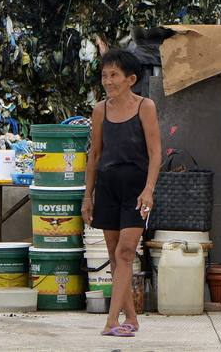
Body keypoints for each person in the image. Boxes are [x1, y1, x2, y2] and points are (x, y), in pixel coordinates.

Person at [82, 48, 162, 339]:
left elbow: (155, 154)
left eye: (114, 75)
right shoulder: (100, 110)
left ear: (130, 79)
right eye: (104, 75)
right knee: (116, 259)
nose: (108, 81)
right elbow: (95, 155)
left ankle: (111, 321)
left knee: (126, 252)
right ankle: (131, 317)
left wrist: (149, 190)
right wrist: (87, 197)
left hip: (136, 189)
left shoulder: (146, 107)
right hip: (107, 187)